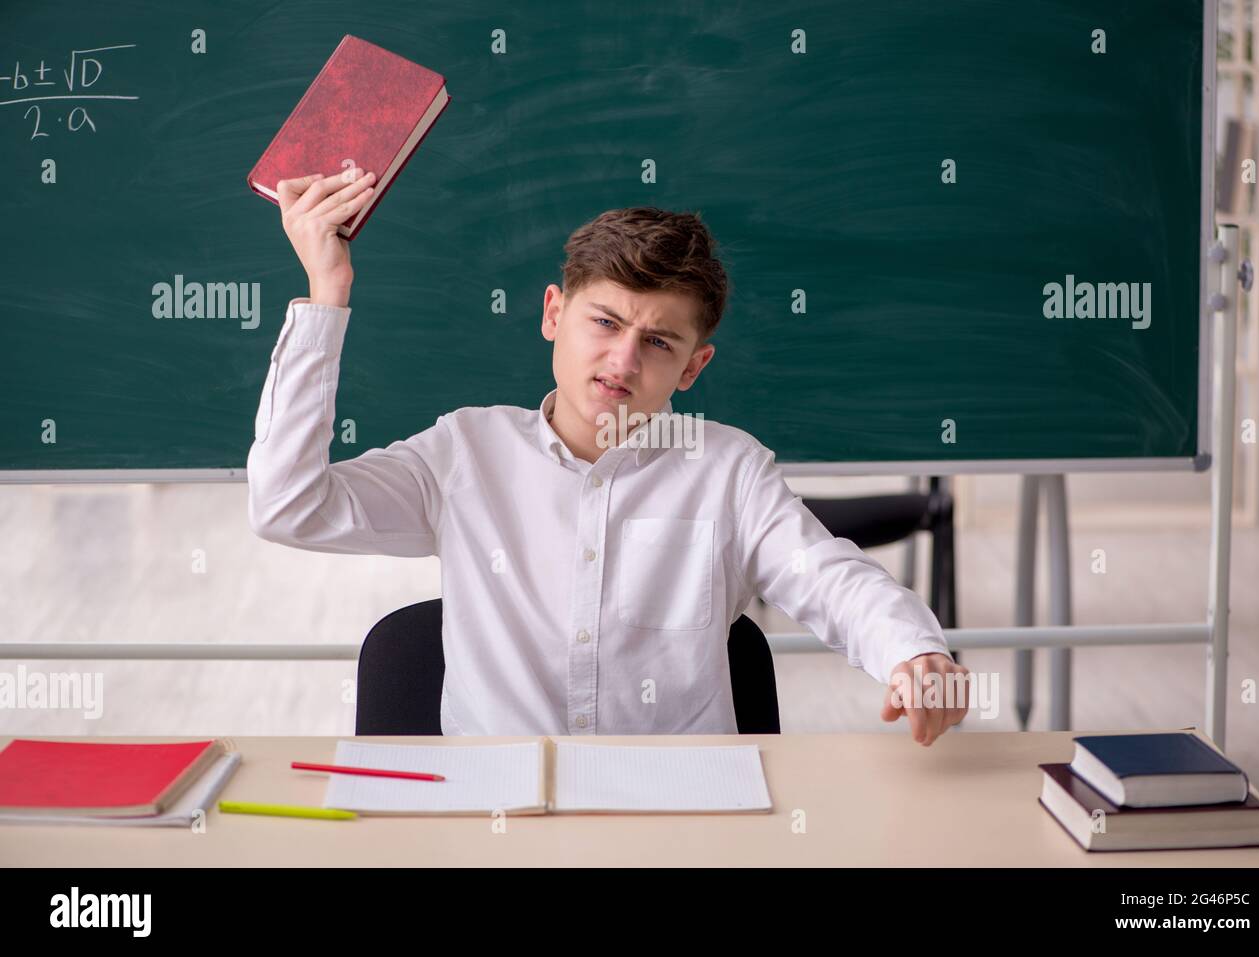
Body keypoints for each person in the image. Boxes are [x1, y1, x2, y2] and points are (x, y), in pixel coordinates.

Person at [247, 168, 968, 742]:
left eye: (658, 342)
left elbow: (830, 577)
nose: (623, 361)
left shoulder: (728, 470)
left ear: (693, 367)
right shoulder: (466, 451)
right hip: (494, 819)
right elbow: (288, 507)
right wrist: (326, 293)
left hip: (679, 817)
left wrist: (915, 651)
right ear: (553, 313)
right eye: (605, 321)